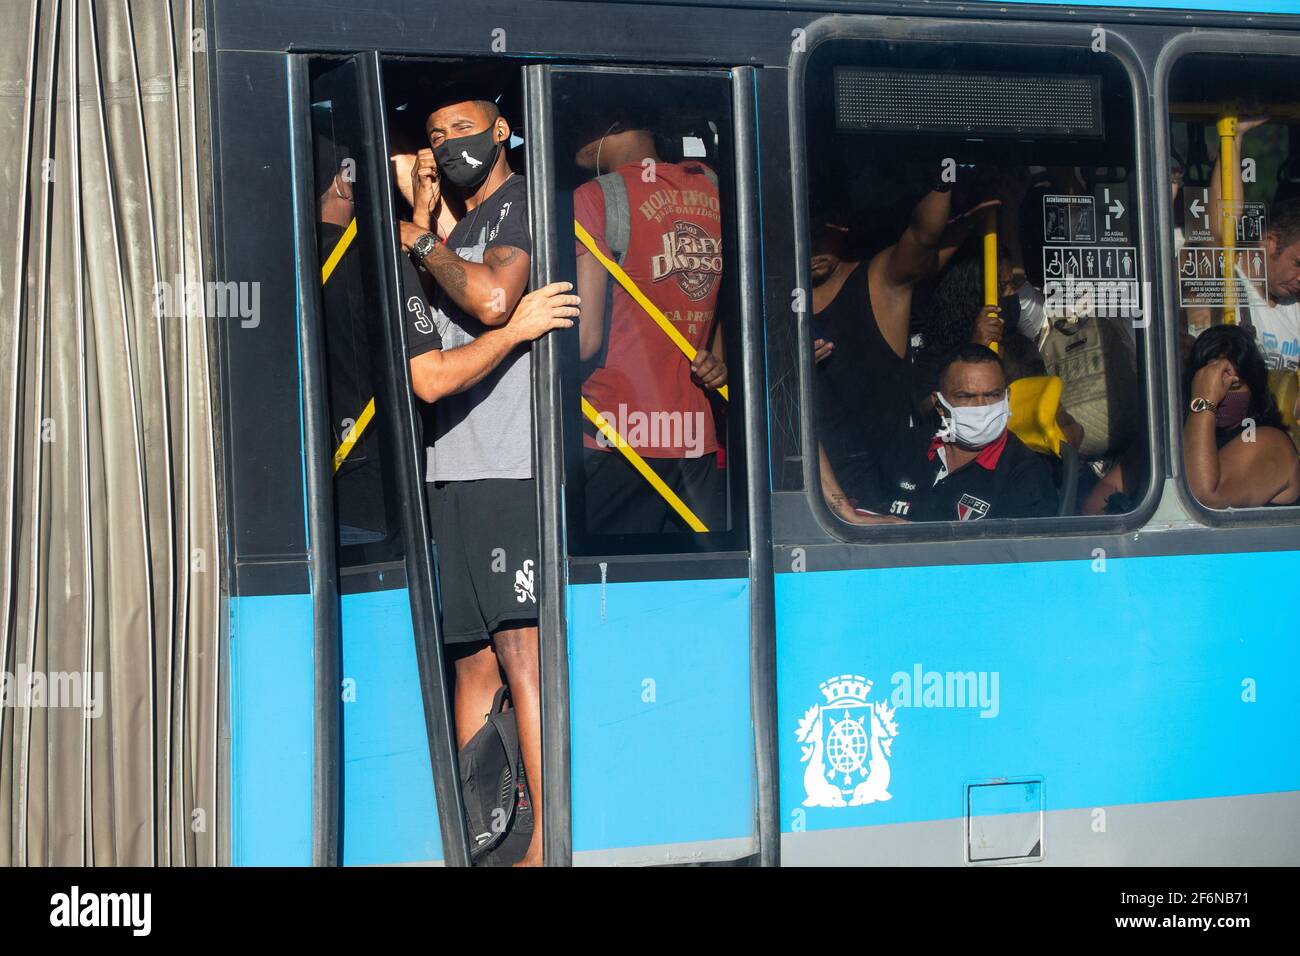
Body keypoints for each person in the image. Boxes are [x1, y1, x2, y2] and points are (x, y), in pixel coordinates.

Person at [398, 91, 576, 866]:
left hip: (511, 466)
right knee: (471, 656)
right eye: (435, 135)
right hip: (454, 470)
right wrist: (431, 221)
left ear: (503, 131)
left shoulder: (525, 203)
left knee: (524, 656)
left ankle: (547, 845)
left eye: (462, 129)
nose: (447, 143)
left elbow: (498, 296)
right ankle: (485, 835)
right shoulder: (462, 226)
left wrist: (420, 242)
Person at [572, 107, 728, 532]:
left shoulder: (594, 197)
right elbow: (727, 303)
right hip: (694, 435)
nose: (571, 138)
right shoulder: (715, 191)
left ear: (613, 122)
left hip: (615, 434)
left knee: (613, 582)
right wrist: (718, 359)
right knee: (693, 583)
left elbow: (584, 341)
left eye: (578, 121)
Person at [810, 172, 975, 509]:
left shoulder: (879, 280)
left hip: (881, 479)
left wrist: (942, 177)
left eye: (823, 233)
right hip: (808, 482)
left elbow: (924, 236)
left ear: (844, 226)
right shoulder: (772, 292)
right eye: (805, 232)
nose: (813, 245)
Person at [852, 345, 1058, 523]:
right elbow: (861, 516)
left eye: (993, 395)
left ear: (1007, 397)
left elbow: (1013, 559)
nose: (982, 406)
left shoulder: (1025, 474)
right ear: (940, 405)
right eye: (966, 396)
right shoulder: (907, 446)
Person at [1208, 117, 1300, 369]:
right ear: (1269, 242)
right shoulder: (1224, 275)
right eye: (1297, 263)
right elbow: (1221, 228)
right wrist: (1233, 137)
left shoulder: (1295, 307)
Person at [1183, 323, 1300, 508]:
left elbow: (1204, 497)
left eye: (1234, 386)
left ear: (1254, 388)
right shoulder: (1181, 431)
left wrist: (1204, 402)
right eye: (1211, 385)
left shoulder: (1268, 441)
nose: (1219, 395)